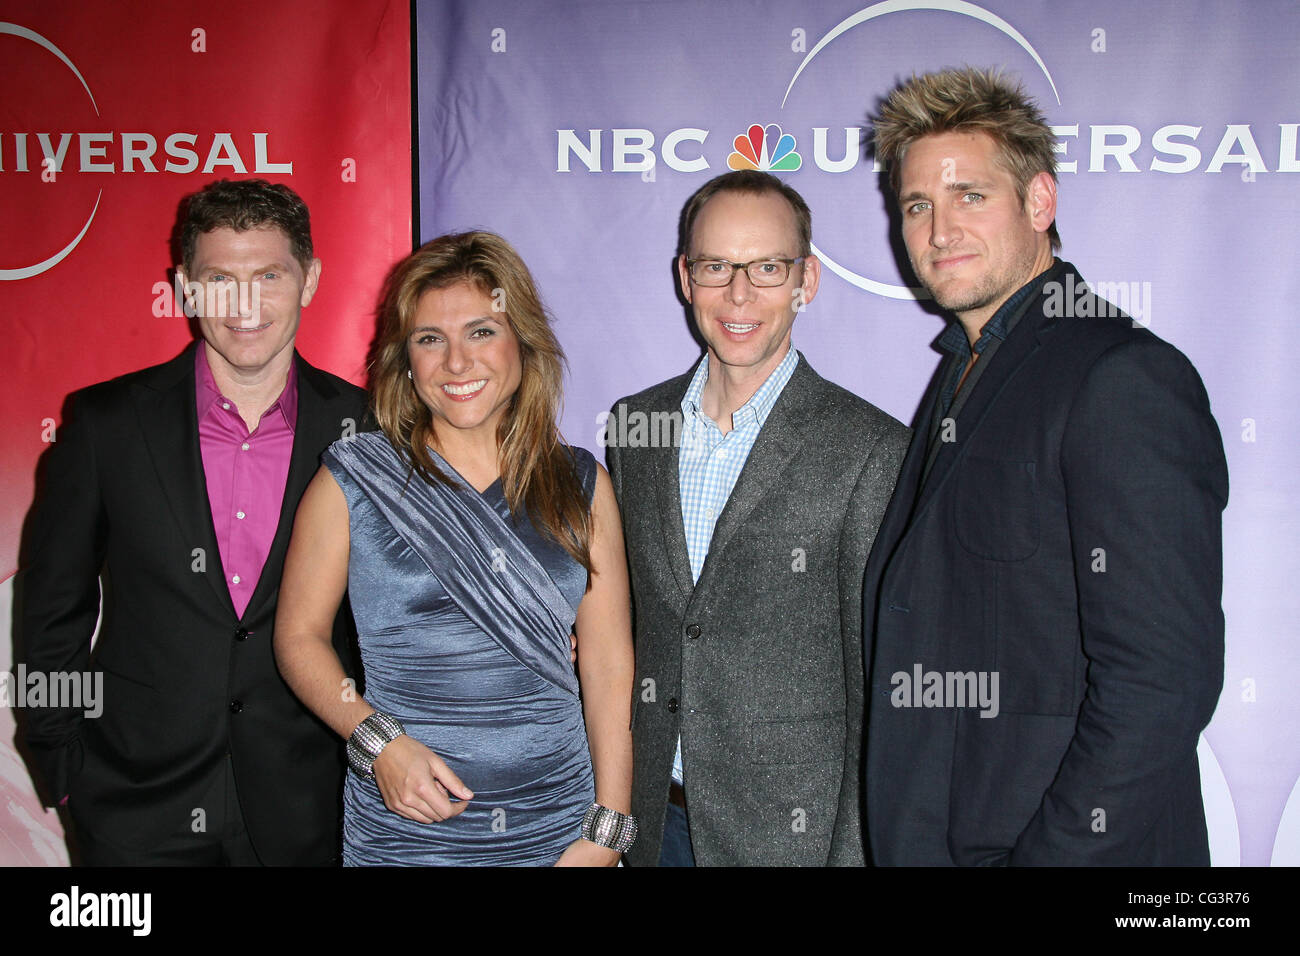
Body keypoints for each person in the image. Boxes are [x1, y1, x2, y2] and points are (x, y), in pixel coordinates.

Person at [862, 67, 1228, 865]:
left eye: (971, 196)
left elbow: (1161, 684)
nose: (939, 229)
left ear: (1039, 203)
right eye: (917, 204)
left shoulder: (1119, 376)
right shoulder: (966, 369)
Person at [17, 179, 369, 865]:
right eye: (218, 279)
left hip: (313, 806)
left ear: (311, 279)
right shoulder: (105, 426)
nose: (243, 304)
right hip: (134, 807)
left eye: (268, 275)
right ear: (184, 287)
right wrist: (61, 766)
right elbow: (50, 610)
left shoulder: (369, 430)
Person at [274, 231, 634, 866]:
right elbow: (298, 637)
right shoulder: (355, 479)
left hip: (557, 827)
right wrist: (374, 741)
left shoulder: (580, 482)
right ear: (405, 358)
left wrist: (609, 828)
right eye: (430, 339)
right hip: (405, 829)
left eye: (481, 332)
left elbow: (608, 664)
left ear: (523, 341)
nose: (457, 363)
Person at [606, 171, 909, 866]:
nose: (738, 294)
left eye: (767, 268)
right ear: (686, 277)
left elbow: (877, 685)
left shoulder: (870, 449)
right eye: (716, 266)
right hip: (659, 826)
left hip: (793, 841)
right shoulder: (635, 428)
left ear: (807, 281)